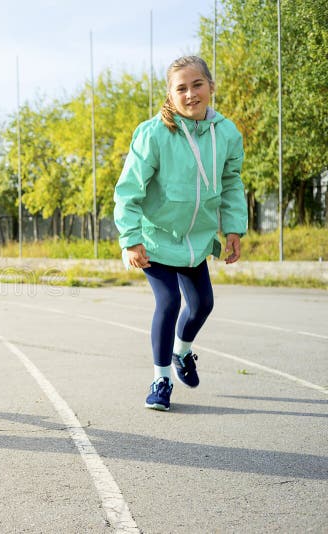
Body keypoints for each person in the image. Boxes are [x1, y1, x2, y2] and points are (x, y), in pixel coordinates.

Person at [113, 56, 247, 411]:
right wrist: (130, 239)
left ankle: (182, 352)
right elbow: (128, 190)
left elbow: (232, 182)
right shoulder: (154, 133)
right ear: (170, 95)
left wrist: (233, 228)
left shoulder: (227, 133)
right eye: (181, 88)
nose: (190, 94)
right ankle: (161, 380)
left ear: (211, 87)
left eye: (197, 85)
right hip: (155, 238)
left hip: (196, 241)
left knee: (203, 304)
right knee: (169, 302)